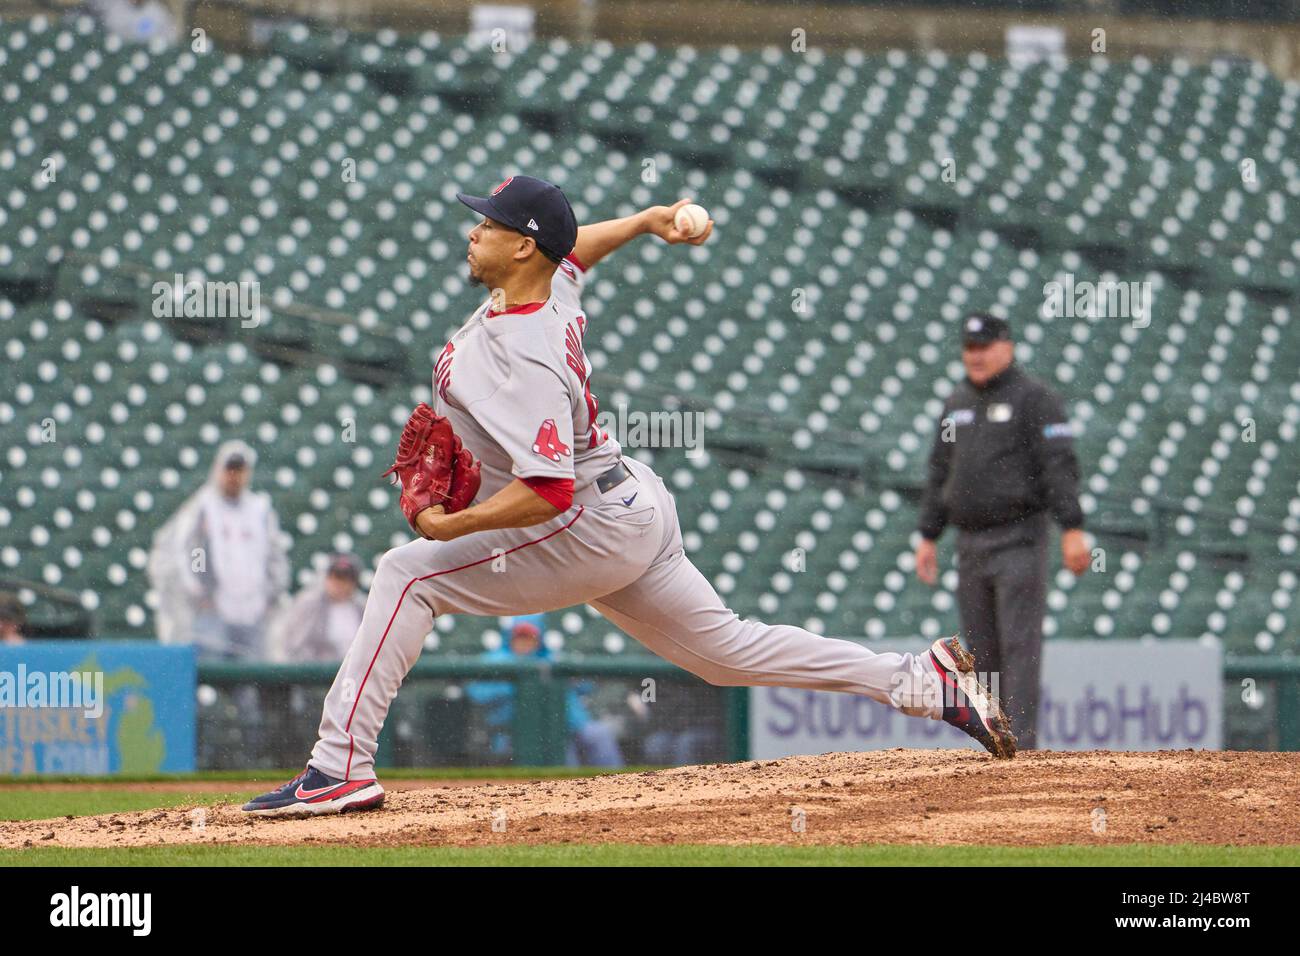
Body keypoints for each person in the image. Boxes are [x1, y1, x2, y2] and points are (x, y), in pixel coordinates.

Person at [244, 176, 1015, 816]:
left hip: (582, 520)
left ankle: (339, 765)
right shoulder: (545, 287)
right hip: (629, 503)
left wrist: (458, 524)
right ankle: (922, 681)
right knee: (725, 653)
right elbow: (578, 250)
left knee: (405, 573)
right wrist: (647, 221)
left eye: (489, 223)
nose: (473, 230)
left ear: (522, 246)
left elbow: (544, 491)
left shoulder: (525, 354)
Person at [914, 313, 1090, 750]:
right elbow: (939, 472)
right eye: (969, 347)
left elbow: (1059, 465)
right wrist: (928, 534)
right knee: (982, 651)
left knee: (1018, 644)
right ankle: (998, 740)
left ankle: (1023, 741)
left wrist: (1072, 528)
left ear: (1007, 348)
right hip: (970, 542)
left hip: (1019, 537)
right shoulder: (956, 403)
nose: (975, 355)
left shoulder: (1036, 400)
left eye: (984, 347)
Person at [148, 440, 290, 662]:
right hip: (214, 612)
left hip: (252, 612)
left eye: (239, 470)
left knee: (252, 678)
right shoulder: (202, 508)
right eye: (229, 469)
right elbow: (188, 552)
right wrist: (200, 591)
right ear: (218, 470)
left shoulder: (259, 510)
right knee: (210, 669)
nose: (234, 476)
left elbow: (275, 558)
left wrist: (270, 595)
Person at [465, 616, 624, 767]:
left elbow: (588, 685)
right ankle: (567, 792)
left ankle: (615, 787)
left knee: (599, 734)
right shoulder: (495, 661)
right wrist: (515, 687)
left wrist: (574, 679)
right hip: (514, 730)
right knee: (562, 753)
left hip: (570, 725)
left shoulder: (551, 658)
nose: (524, 642)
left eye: (529, 637)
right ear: (511, 637)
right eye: (520, 636)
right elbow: (475, 693)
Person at [267, 554, 367, 663]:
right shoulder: (310, 604)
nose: (340, 584)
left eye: (346, 579)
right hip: (316, 672)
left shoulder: (361, 608)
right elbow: (292, 643)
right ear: (327, 578)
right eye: (336, 578)